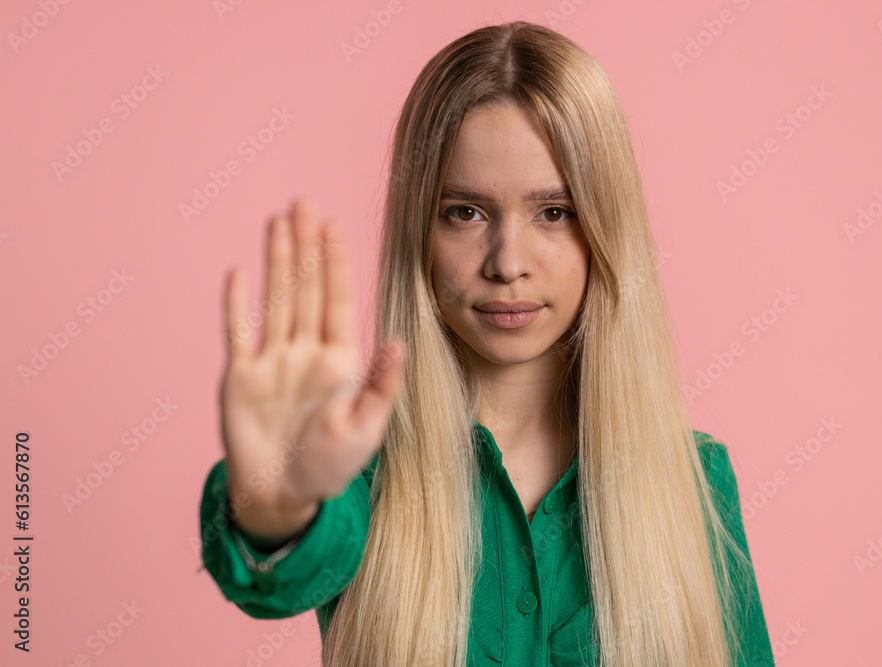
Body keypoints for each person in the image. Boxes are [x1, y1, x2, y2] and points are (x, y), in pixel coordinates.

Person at [199, 20, 774, 666]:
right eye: (465, 212)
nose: (507, 262)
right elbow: (285, 570)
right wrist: (279, 505)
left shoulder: (695, 484)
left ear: (604, 230)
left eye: (554, 212)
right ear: (421, 230)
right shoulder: (361, 473)